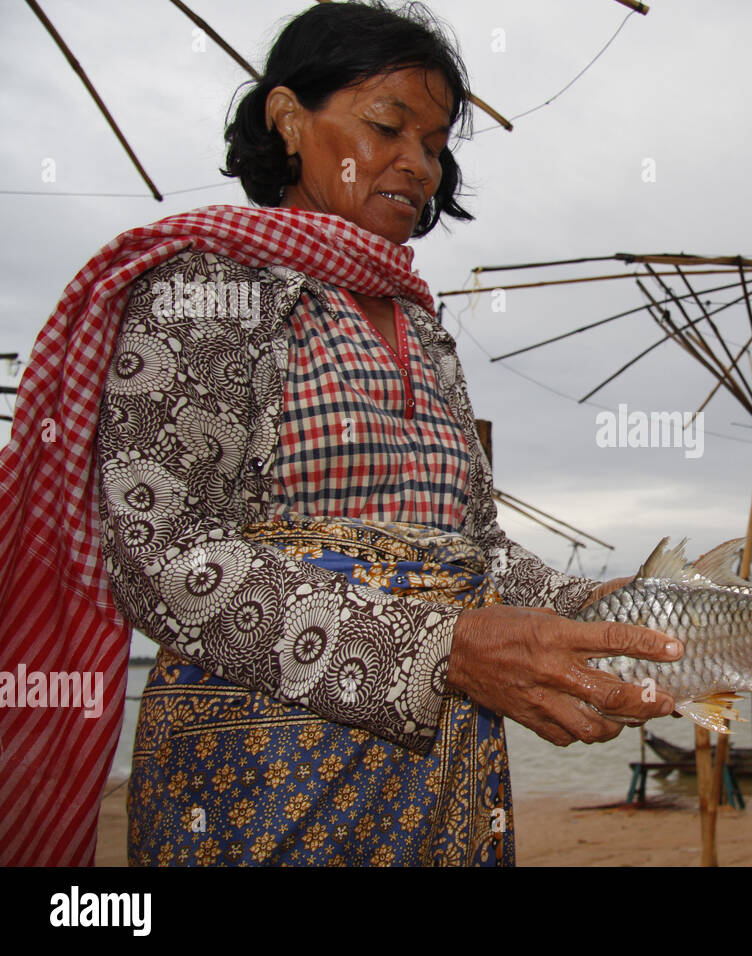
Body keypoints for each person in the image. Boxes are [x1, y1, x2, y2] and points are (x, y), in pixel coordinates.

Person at [0, 1, 679, 867]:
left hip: (448, 786)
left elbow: (467, 546)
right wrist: (441, 651)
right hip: (259, 787)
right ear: (288, 118)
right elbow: (162, 558)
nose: (417, 165)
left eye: (434, 144)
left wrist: (603, 609)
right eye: (388, 125)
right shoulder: (208, 288)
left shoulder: (418, 323)